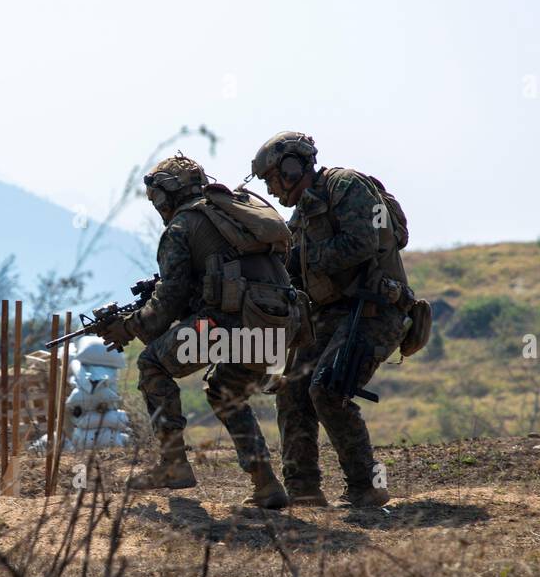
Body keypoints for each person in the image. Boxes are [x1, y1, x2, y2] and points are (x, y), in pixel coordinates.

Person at [100, 154, 297, 508]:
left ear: (167, 195)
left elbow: (167, 303)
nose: (156, 206)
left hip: (230, 327)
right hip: (279, 329)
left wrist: (129, 327)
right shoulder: (237, 212)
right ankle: (266, 484)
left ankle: (174, 466)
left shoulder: (182, 226)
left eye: (156, 198)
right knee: (225, 388)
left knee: (152, 365)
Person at [250, 131, 414, 507]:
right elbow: (289, 272)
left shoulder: (345, 185)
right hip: (332, 315)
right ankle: (303, 490)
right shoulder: (302, 215)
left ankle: (366, 486)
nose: (272, 190)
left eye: (273, 179)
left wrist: (308, 264)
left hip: (375, 310)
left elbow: (362, 242)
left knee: (328, 389)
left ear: (292, 169)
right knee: (292, 390)